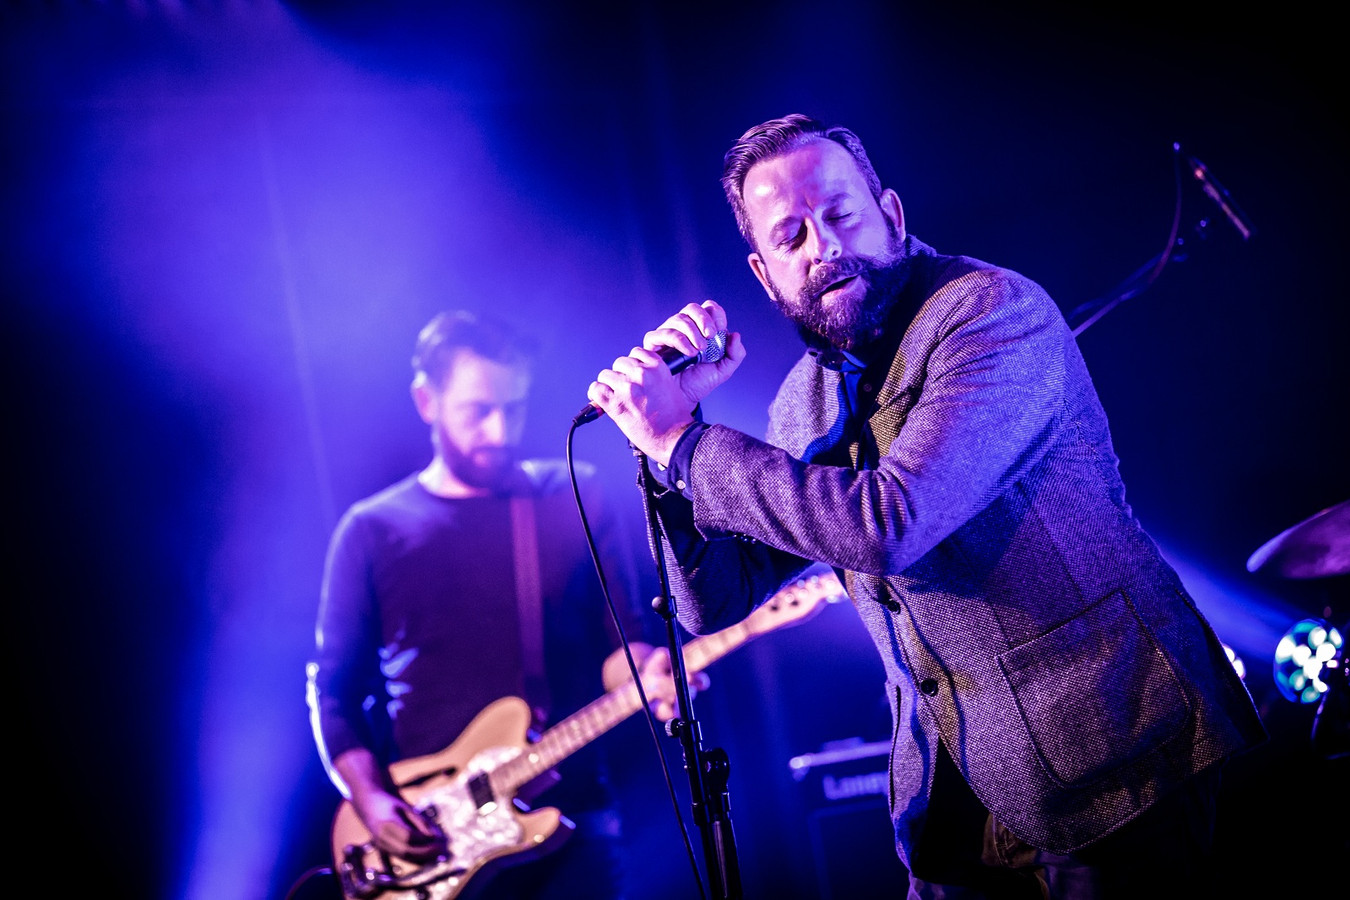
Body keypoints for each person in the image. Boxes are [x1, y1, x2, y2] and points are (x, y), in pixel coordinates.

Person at [585, 114, 1267, 898]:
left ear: (893, 215)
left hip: (1113, 766)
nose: (824, 246)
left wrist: (684, 443)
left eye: (841, 214)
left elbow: (886, 523)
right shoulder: (802, 401)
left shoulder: (990, 314)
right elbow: (715, 599)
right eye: (792, 236)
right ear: (764, 273)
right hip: (951, 804)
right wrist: (670, 446)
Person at [307, 309, 684, 900]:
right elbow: (334, 692)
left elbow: (622, 641)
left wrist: (652, 674)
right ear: (427, 402)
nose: (500, 432)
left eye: (513, 409)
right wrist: (371, 798)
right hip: (433, 837)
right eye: (477, 411)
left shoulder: (569, 493)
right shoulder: (372, 531)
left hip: (572, 818)